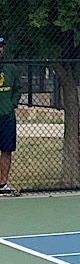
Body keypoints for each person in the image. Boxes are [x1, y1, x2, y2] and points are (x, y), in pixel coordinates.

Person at [0, 37, 22, 194]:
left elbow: (17, 89)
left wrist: (12, 104)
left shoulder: (10, 69)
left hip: (7, 118)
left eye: (1, 46)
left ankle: (3, 184)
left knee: (6, 151)